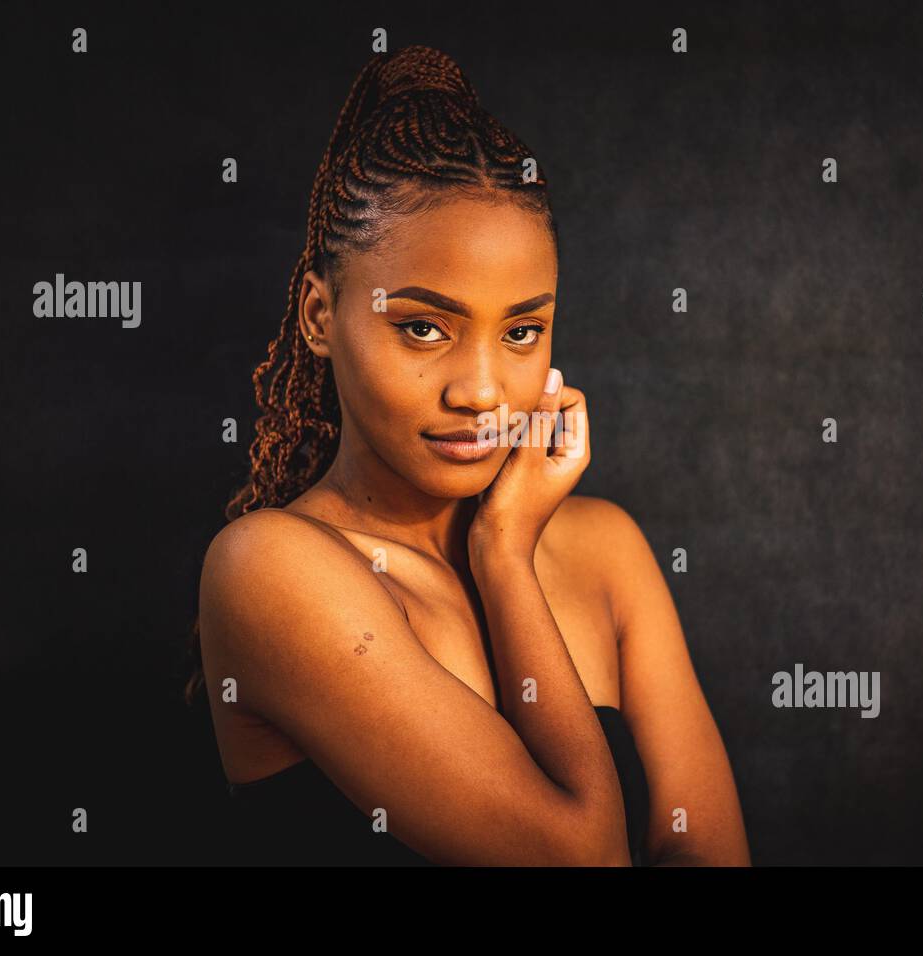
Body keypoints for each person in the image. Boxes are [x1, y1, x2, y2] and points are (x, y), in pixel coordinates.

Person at [184, 44, 750, 867]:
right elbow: (580, 856)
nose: (482, 392)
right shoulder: (269, 572)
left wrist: (509, 543)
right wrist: (505, 555)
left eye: (521, 331)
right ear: (318, 316)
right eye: (423, 327)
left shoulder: (605, 551)